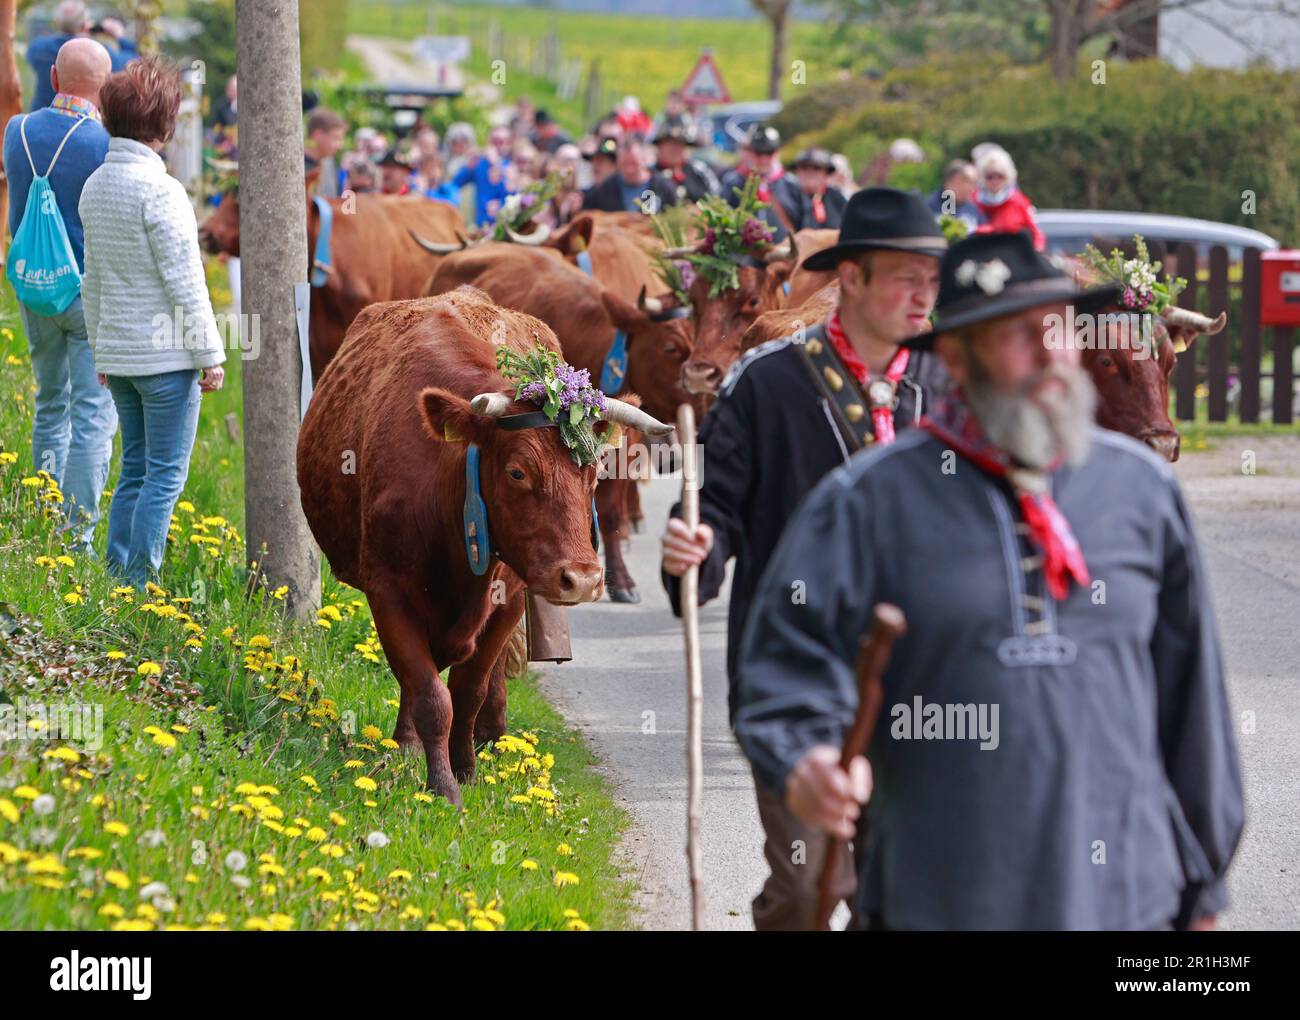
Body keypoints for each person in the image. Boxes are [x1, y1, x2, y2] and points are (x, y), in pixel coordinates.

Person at [733, 231, 1245, 930]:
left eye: (1059, 328)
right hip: (938, 897)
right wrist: (806, 758)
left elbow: (1194, 711)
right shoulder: (870, 501)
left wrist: (1203, 893)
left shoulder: (1143, 495)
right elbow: (784, 663)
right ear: (956, 356)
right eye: (1017, 334)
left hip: (1127, 900)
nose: (1049, 353)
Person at [659, 188, 948, 931]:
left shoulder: (948, 389)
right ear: (850, 277)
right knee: (808, 884)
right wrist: (695, 547)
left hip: (924, 681)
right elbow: (714, 508)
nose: (925, 295)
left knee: (903, 894)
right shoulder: (770, 383)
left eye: (934, 278)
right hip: (797, 677)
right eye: (905, 276)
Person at [79, 55, 227, 588]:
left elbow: (90, 278)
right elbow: (185, 281)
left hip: (118, 355)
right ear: (166, 126)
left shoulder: (95, 186)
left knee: (133, 471)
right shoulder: (161, 191)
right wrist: (210, 355)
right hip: (165, 360)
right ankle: (139, 586)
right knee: (164, 476)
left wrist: (99, 348)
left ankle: (116, 574)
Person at [3, 38, 115, 553]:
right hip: (86, 292)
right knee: (93, 412)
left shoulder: (15, 131)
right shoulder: (102, 143)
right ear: (106, 87)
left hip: (33, 287)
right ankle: (76, 536)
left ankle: (45, 511)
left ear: (52, 77)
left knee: (51, 401)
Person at [26, 1, 133, 111]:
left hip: (43, 115)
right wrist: (119, 37)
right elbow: (133, 63)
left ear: (57, 22)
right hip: (82, 122)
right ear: (85, 24)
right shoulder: (99, 54)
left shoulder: (37, 48)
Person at [718, 125, 800, 240]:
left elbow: (805, 221)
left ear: (776, 152)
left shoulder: (791, 184)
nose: (764, 159)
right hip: (746, 253)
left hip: (785, 251)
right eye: (759, 153)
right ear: (750, 153)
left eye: (769, 153)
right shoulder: (733, 183)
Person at [581, 134, 676, 215]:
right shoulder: (604, 190)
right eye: (625, 163)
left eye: (633, 163)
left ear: (643, 159)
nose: (629, 169)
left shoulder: (663, 188)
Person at [974, 146, 1044, 250]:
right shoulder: (974, 201)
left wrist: (1036, 252)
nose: (995, 181)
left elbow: (1036, 234)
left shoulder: (1019, 201)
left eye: (999, 176)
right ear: (982, 177)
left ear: (1007, 177)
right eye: (990, 176)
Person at [451, 124, 514, 226]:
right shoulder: (480, 163)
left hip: (504, 225)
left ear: (508, 143)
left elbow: (516, 196)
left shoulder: (512, 166)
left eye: (502, 142)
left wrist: (496, 163)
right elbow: (456, 182)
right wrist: (468, 164)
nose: (498, 145)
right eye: (495, 141)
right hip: (480, 225)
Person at [653, 123, 718, 204]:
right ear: (659, 147)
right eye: (669, 144)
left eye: (679, 144)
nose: (674, 149)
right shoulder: (648, 175)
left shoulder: (699, 171)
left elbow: (716, 199)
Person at [790, 146, 847, 230]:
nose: (810, 172)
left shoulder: (836, 198)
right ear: (797, 171)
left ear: (826, 172)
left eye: (816, 168)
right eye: (804, 167)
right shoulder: (789, 197)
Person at [926, 159, 986, 234]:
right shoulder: (928, 207)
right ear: (956, 180)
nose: (974, 188)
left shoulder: (973, 209)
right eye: (971, 182)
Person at [303, 106, 346, 197]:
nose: (340, 146)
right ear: (318, 135)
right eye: (336, 138)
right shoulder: (299, 165)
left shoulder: (329, 163)